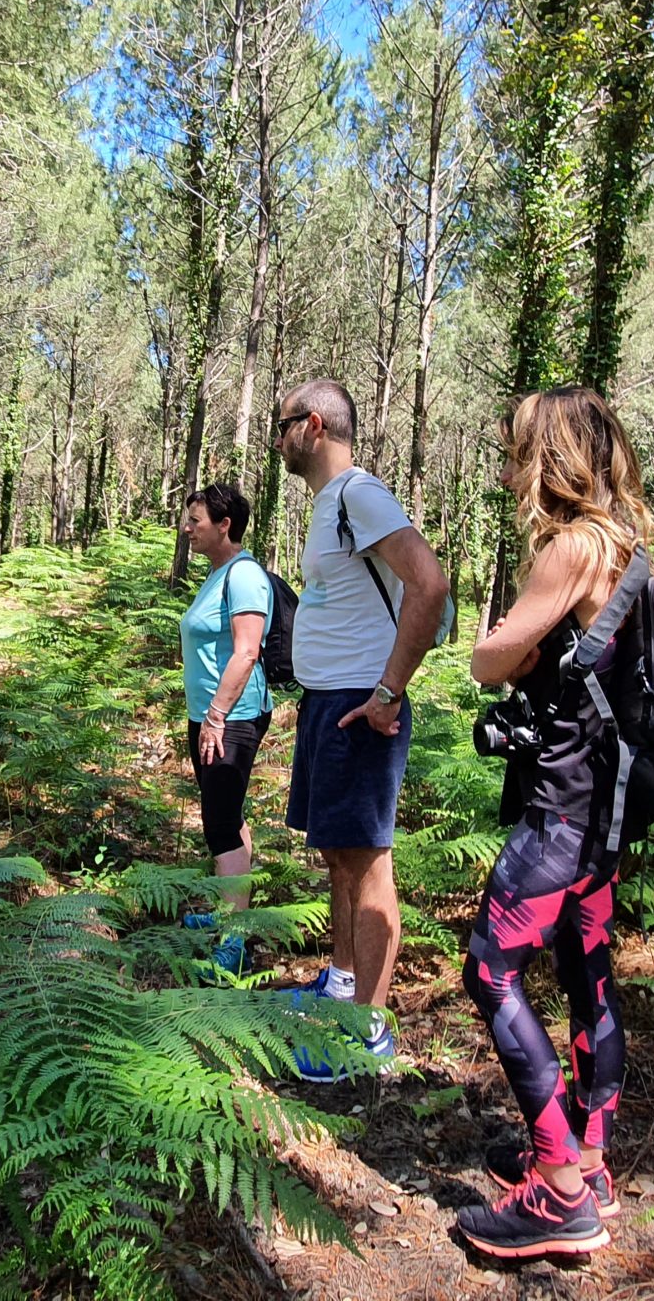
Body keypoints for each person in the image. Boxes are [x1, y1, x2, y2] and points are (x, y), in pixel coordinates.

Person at [451, 386, 652, 1259]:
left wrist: (502, 643)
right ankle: (592, 1160)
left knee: (490, 970)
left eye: (518, 448)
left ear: (553, 455)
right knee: (587, 974)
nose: (508, 465)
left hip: (562, 809)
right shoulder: (628, 547)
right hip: (607, 807)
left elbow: (487, 661)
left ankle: (558, 1186)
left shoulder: (571, 546)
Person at [269, 378, 449, 1080]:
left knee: (369, 863)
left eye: (282, 425)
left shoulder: (359, 495)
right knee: (341, 858)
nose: (276, 439)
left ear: (313, 426)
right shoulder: (328, 506)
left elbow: (427, 585)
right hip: (330, 703)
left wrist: (387, 693)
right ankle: (342, 985)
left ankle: (366, 1034)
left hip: (359, 707)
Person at [176, 483, 272, 976]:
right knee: (229, 815)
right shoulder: (217, 574)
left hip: (231, 718)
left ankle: (233, 943)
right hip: (211, 715)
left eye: (196, 520)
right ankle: (229, 915)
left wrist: (215, 717)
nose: (187, 529)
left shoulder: (245, 575)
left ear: (224, 525)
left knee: (218, 825)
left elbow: (246, 651)